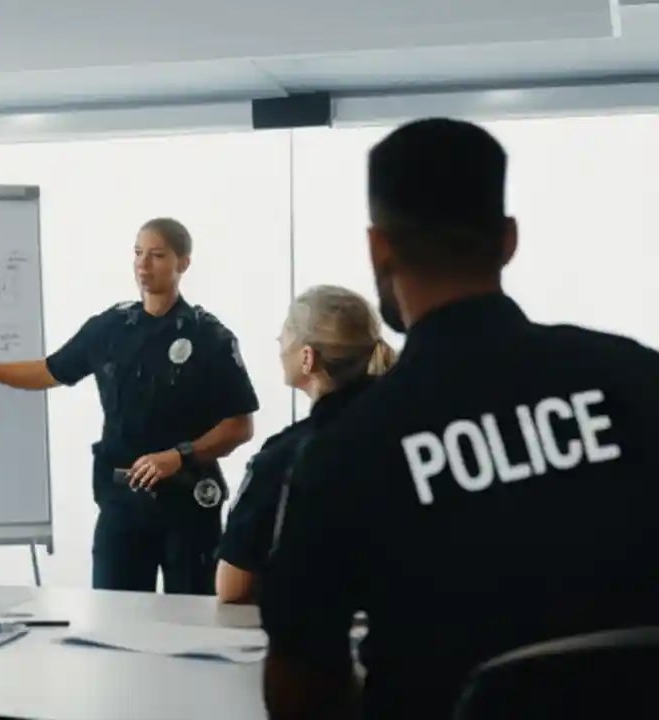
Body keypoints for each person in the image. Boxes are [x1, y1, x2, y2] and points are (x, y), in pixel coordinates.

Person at [261, 119, 659, 720]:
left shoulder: (344, 450)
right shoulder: (639, 379)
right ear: (507, 240)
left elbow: (299, 688)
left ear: (378, 248)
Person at [0, 218, 258, 594]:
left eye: (156, 255)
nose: (143, 265)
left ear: (182, 263)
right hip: (122, 500)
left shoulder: (209, 337)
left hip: (186, 502)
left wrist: (179, 455)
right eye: (138, 253)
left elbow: (240, 425)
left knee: (191, 620)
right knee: (116, 615)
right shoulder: (111, 329)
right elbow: (49, 371)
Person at [215, 286, 394, 604]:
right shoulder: (413, 433)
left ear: (308, 358)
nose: (278, 343)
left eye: (285, 334)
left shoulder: (283, 458)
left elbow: (233, 587)